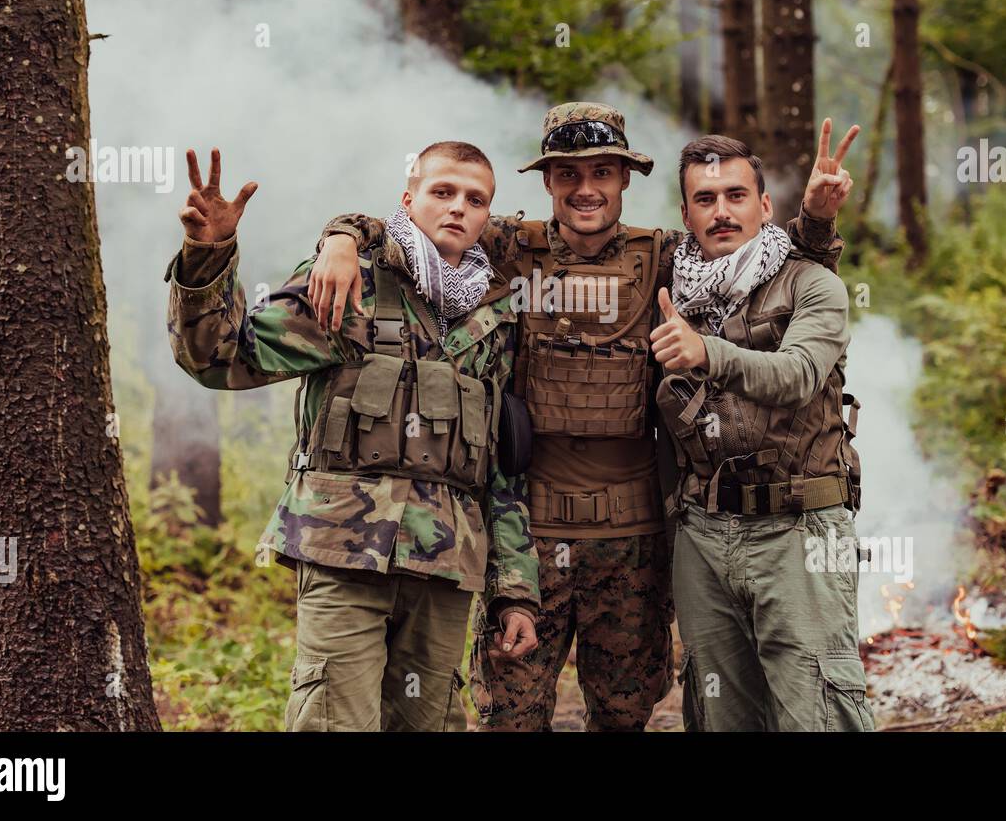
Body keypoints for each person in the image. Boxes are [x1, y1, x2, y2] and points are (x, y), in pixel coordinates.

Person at [304, 105, 849, 731]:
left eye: (602, 172)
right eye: (568, 174)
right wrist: (343, 239)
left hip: (633, 537)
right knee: (511, 714)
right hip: (528, 532)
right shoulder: (507, 245)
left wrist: (817, 220)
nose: (586, 188)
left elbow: (767, 264)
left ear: (625, 178)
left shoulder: (667, 255)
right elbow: (415, 224)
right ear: (547, 182)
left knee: (622, 717)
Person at [164, 142, 539, 731]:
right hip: (343, 551)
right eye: (443, 192)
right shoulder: (353, 282)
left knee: (430, 725)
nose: (459, 208)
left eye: (476, 200)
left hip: (445, 567)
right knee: (335, 720)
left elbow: (502, 470)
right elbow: (220, 356)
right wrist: (209, 254)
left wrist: (515, 590)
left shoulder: (495, 315)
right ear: (408, 199)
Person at [652, 129, 874, 731]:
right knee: (721, 715)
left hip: (798, 530)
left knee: (817, 711)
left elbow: (799, 376)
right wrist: (360, 236)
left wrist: (708, 353)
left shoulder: (813, 284)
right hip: (703, 533)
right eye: (705, 199)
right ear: (685, 214)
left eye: (735, 195)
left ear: (764, 205)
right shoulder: (672, 284)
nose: (721, 211)